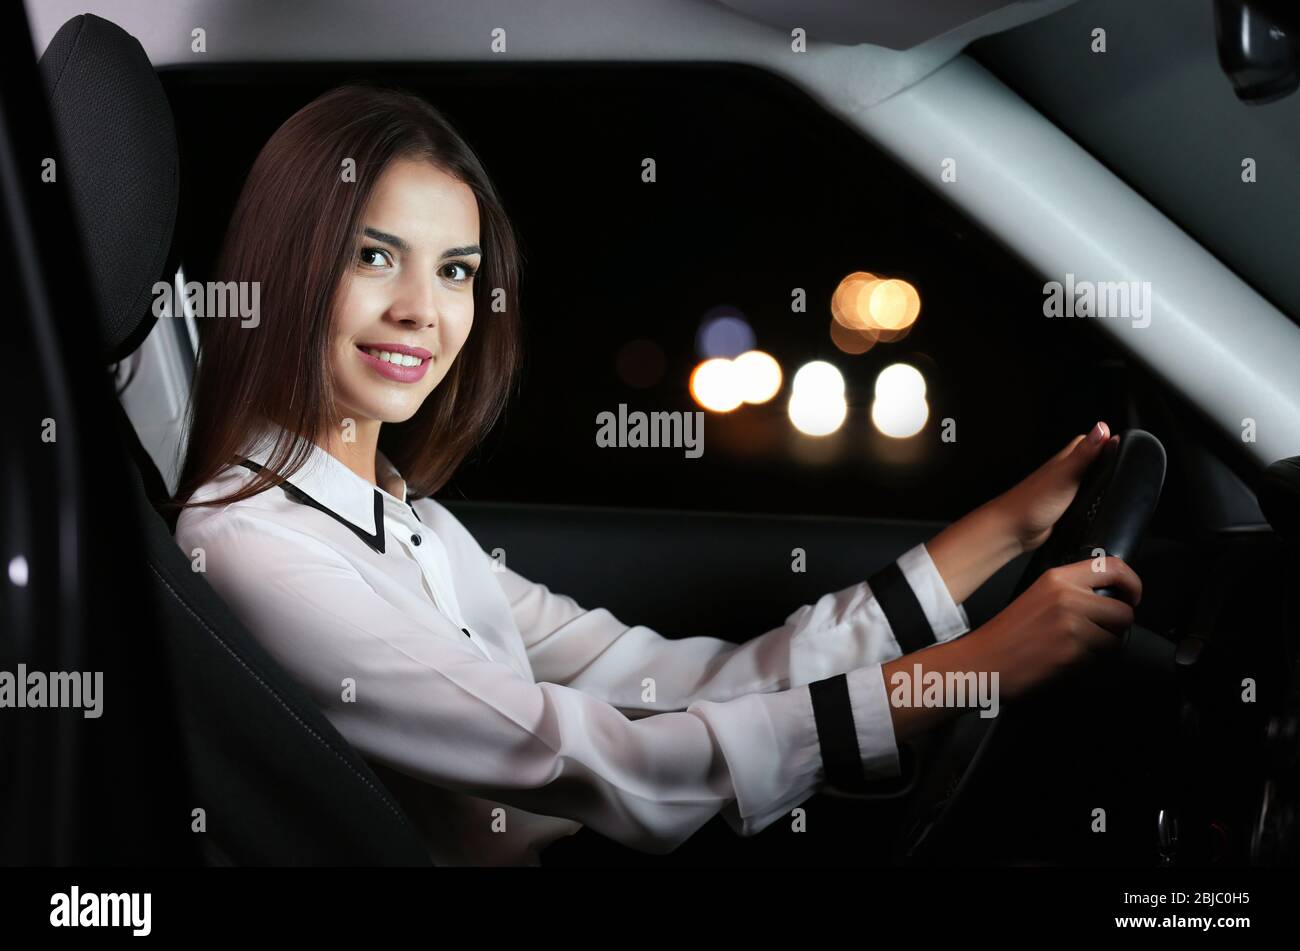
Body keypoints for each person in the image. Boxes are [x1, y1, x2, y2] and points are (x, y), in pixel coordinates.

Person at [167, 85, 1141, 865]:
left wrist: (1005, 532)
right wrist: (971, 669)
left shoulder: (405, 520)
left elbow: (692, 682)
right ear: (291, 268)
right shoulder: (253, 542)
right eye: (376, 256)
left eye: (457, 270)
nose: (424, 309)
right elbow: (606, 760)